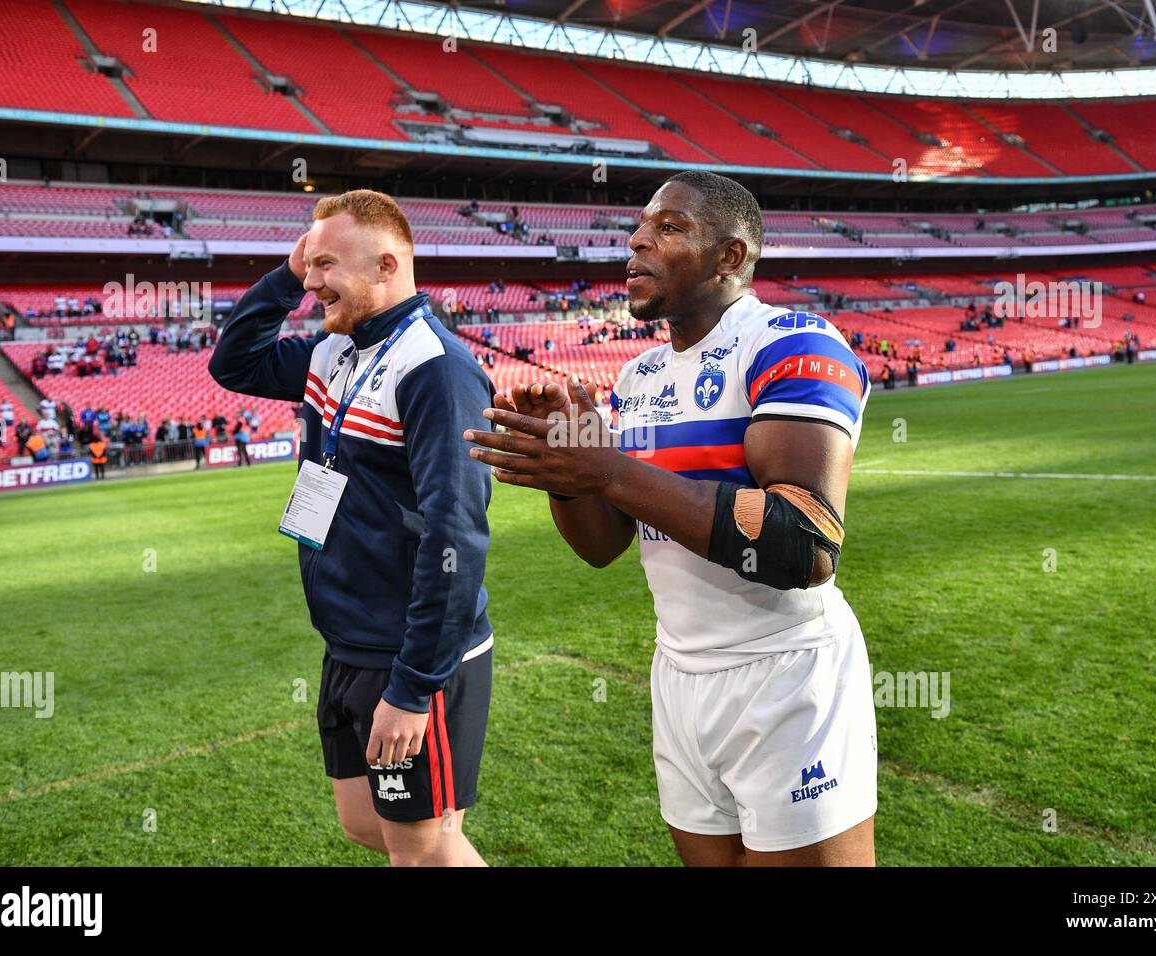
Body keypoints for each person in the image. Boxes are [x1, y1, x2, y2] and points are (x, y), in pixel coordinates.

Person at [467, 171, 876, 867]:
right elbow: (603, 547)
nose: (637, 240)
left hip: (786, 674)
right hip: (679, 675)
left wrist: (609, 471)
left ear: (730, 257)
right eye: (640, 227)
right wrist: (567, 474)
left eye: (670, 228)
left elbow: (803, 544)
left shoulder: (792, 344)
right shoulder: (640, 377)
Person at [209, 189, 495, 867]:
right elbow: (234, 364)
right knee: (365, 822)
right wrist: (284, 273)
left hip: (411, 656)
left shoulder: (436, 368)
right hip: (348, 644)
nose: (311, 283)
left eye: (326, 264)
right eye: (308, 266)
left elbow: (454, 537)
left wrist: (414, 684)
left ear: (386, 265)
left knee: (421, 848)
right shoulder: (334, 353)